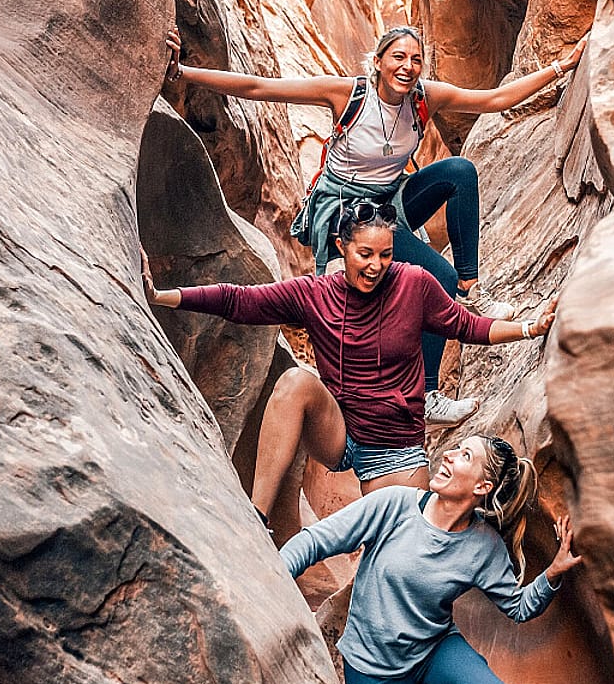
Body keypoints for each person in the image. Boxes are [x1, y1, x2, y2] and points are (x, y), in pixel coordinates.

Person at [164, 25, 586, 430]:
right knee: (435, 276)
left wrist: (562, 67)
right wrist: (182, 72)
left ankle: (472, 293)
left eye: (416, 59)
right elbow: (258, 87)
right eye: (398, 57)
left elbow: (495, 99)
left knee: (459, 171)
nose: (408, 66)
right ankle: (420, 396)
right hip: (345, 209)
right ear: (379, 61)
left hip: (390, 201)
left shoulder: (424, 99)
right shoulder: (348, 94)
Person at [142, 203, 557, 527]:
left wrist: (529, 327)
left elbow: (468, 324)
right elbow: (239, 300)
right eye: (365, 254)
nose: (376, 266)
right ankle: (258, 517)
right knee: (294, 382)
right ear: (342, 247)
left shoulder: (413, 283)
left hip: (395, 448)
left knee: (399, 543)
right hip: (341, 433)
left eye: (386, 255)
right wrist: (162, 296)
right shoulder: (315, 293)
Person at [280, 433, 583, 684]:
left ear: (482, 487)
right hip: (373, 667)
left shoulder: (484, 545)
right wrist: (274, 577)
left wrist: (553, 572)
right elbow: (314, 542)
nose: (448, 455)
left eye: (465, 455)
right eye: (457, 448)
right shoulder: (394, 505)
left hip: (435, 652)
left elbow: (517, 607)